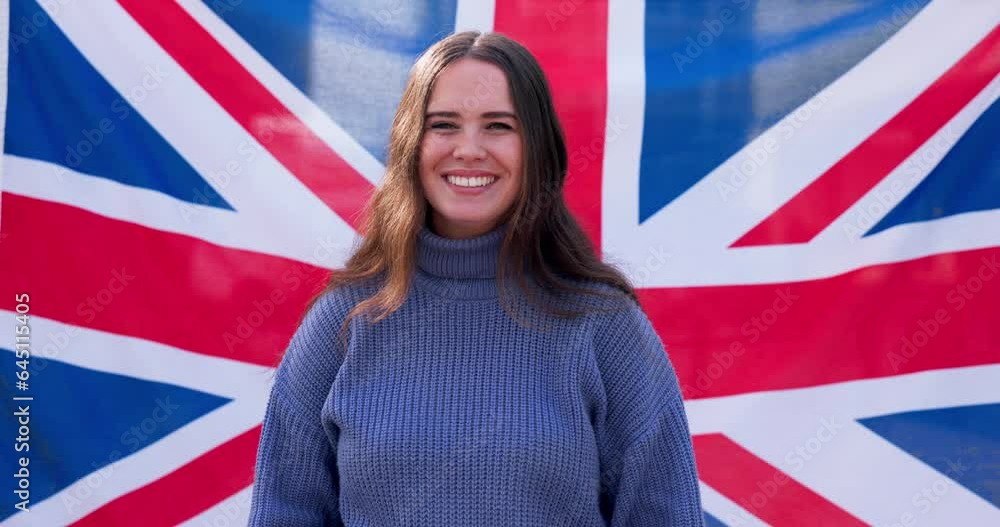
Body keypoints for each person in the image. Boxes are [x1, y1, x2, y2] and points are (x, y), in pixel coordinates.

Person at [248, 30, 705, 526]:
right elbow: (281, 514)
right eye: (444, 124)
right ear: (411, 143)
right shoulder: (344, 323)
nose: (469, 149)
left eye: (498, 126)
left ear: (536, 148)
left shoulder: (603, 326)